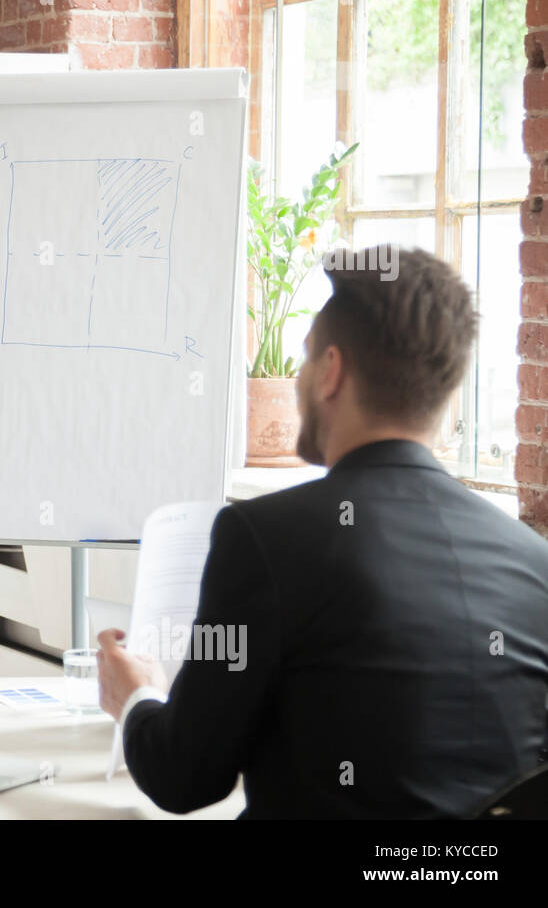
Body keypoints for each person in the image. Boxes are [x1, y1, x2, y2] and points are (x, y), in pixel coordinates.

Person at [97, 245, 548, 818]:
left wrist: (135, 696)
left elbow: (185, 777)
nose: (300, 379)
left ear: (332, 371)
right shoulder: (534, 562)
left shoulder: (262, 538)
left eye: (307, 359)